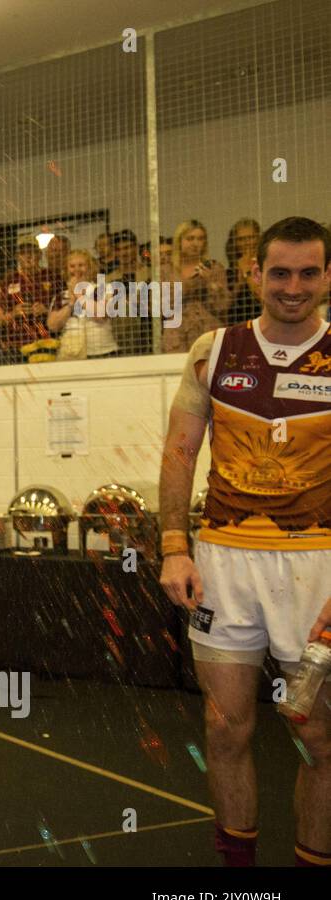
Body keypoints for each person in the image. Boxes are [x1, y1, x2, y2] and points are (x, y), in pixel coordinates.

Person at [158, 216, 331, 867]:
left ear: (327, 276)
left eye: (307, 273)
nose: (292, 286)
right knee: (224, 728)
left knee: (319, 739)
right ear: (254, 274)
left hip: (317, 564)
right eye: (279, 272)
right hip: (224, 561)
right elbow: (179, 455)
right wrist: (174, 545)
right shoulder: (214, 349)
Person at [162, 219, 231, 353]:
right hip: (176, 335)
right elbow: (164, 306)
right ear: (179, 241)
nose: (195, 244)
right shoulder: (166, 270)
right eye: (190, 238)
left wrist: (211, 283)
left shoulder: (214, 268)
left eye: (200, 239)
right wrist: (190, 285)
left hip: (208, 332)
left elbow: (223, 306)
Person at [48, 249, 118, 360]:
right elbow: (53, 326)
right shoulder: (61, 296)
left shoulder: (104, 289)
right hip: (72, 354)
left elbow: (100, 315)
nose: (76, 270)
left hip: (101, 352)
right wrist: (71, 304)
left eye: (81, 265)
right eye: (72, 266)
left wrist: (79, 294)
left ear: (90, 268)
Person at [0, 237, 54, 362]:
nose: (28, 257)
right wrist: (13, 313)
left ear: (39, 254)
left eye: (32, 252)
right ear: (17, 256)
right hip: (15, 345)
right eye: (23, 253)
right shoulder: (9, 280)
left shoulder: (52, 276)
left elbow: (66, 310)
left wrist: (46, 311)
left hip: (45, 343)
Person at [109, 228, 153, 354]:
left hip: (148, 338)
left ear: (135, 248)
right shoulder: (109, 278)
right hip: (117, 342)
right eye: (119, 249)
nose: (124, 253)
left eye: (127, 247)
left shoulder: (150, 273)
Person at [225, 218, 263, 327]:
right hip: (237, 326)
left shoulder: (267, 267)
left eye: (251, 237)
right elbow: (226, 306)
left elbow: (262, 297)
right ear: (235, 242)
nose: (247, 243)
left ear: (258, 238)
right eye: (241, 239)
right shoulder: (229, 273)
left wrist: (247, 271)